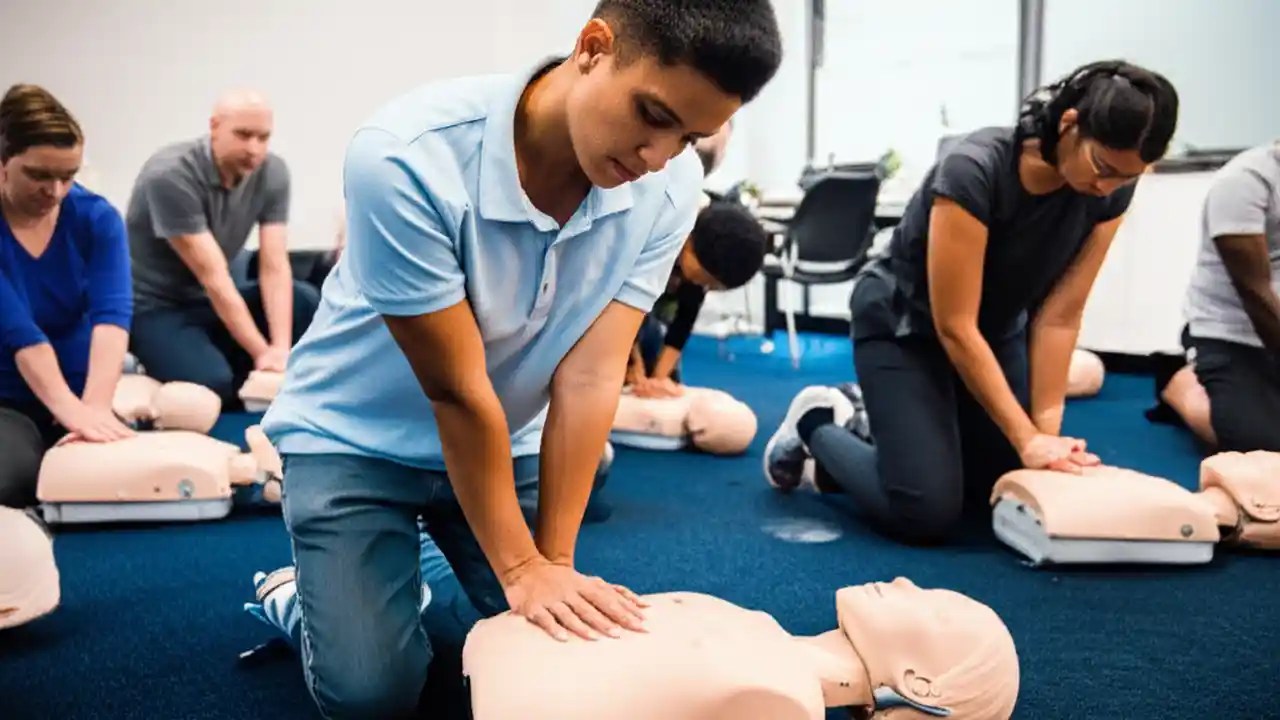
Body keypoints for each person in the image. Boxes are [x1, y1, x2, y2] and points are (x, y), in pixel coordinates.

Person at [256, 1, 783, 716]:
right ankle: (294, 596)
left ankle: (430, 558)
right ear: (593, 47)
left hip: (505, 438)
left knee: (554, 645)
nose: (658, 158)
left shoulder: (669, 187)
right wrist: (521, 567)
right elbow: (457, 392)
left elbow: (593, 373)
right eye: (653, 116)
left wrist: (553, 567)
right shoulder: (406, 154)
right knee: (374, 697)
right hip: (355, 439)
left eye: (688, 138)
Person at [762, 60, 1179, 545]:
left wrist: (1045, 436)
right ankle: (818, 420)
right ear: (1069, 124)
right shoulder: (975, 169)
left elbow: (1059, 318)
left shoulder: (1108, 195)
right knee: (927, 512)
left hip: (996, 332)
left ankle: (886, 442)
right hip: (904, 328)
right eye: (1103, 167)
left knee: (994, 491)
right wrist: (1024, 437)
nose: (1107, 187)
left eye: (1127, 177)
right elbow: (954, 325)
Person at [124, 90, 319, 409]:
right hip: (156, 307)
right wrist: (261, 352)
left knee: (304, 300)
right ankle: (218, 370)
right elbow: (213, 277)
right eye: (243, 135)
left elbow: (274, 265)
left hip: (211, 302)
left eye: (263, 137)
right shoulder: (170, 175)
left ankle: (245, 372)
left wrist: (280, 351)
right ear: (214, 126)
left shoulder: (273, 172)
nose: (254, 148)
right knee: (212, 385)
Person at [0, 84, 134, 509]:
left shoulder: (97, 218)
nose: (55, 191)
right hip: (9, 397)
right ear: (3, 163)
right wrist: (73, 414)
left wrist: (94, 408)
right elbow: (21, 334)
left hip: (81, 391)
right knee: (11, 480)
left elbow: (112, 317)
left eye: (68, 176)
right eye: (39, 175)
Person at [1178, 141, 1280, 452]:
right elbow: (1256, 295)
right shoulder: (1246, 181)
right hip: (1231, 334)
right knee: (1261, 446)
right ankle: (1180, 385)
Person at [628, 200, 768, 398]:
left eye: (714, 287)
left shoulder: (700, 274)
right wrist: (633, 367)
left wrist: (656, 381)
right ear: (689, 244)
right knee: (637, 348)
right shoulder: (650, 240)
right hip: (610, 304)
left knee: (664, 381)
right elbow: (623, 307)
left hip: (652, 314)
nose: (706, 287)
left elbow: (683, 324)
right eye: (708, 280)